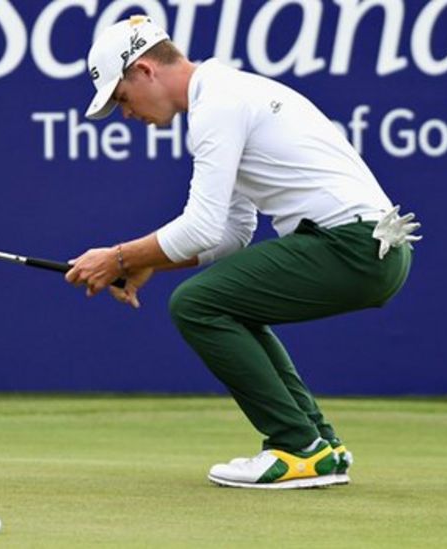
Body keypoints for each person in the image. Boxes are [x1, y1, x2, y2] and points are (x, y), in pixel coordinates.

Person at [65, 16, 420, 489]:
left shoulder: (218, 104)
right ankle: (320, 447)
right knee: (229, 303)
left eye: (122, 99)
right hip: (375, 250)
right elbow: (233, 232)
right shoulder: (227, 93)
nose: (127, 115)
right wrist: (148, 259)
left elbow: (202, 226)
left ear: (145, 70)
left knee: (195, 304)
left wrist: (120, 257)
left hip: (350, 246)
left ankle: (295, 445)